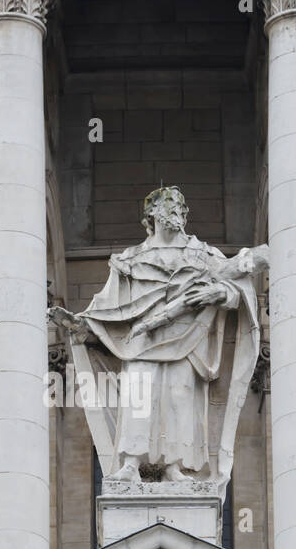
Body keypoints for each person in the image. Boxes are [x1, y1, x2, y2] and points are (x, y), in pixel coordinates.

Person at [50, 185, 266, 483]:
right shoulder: (130, 260)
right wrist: (79, 325)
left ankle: (173, 466)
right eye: (168, 205)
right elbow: (107, 310)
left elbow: (235, 286)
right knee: (140, 394)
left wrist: (220, 292)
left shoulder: (204, 255)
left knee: (180, 396)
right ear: (150, 214)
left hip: (188, 339)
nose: (175, 210)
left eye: (179, 206)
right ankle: (130, 463)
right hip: (141, 341)